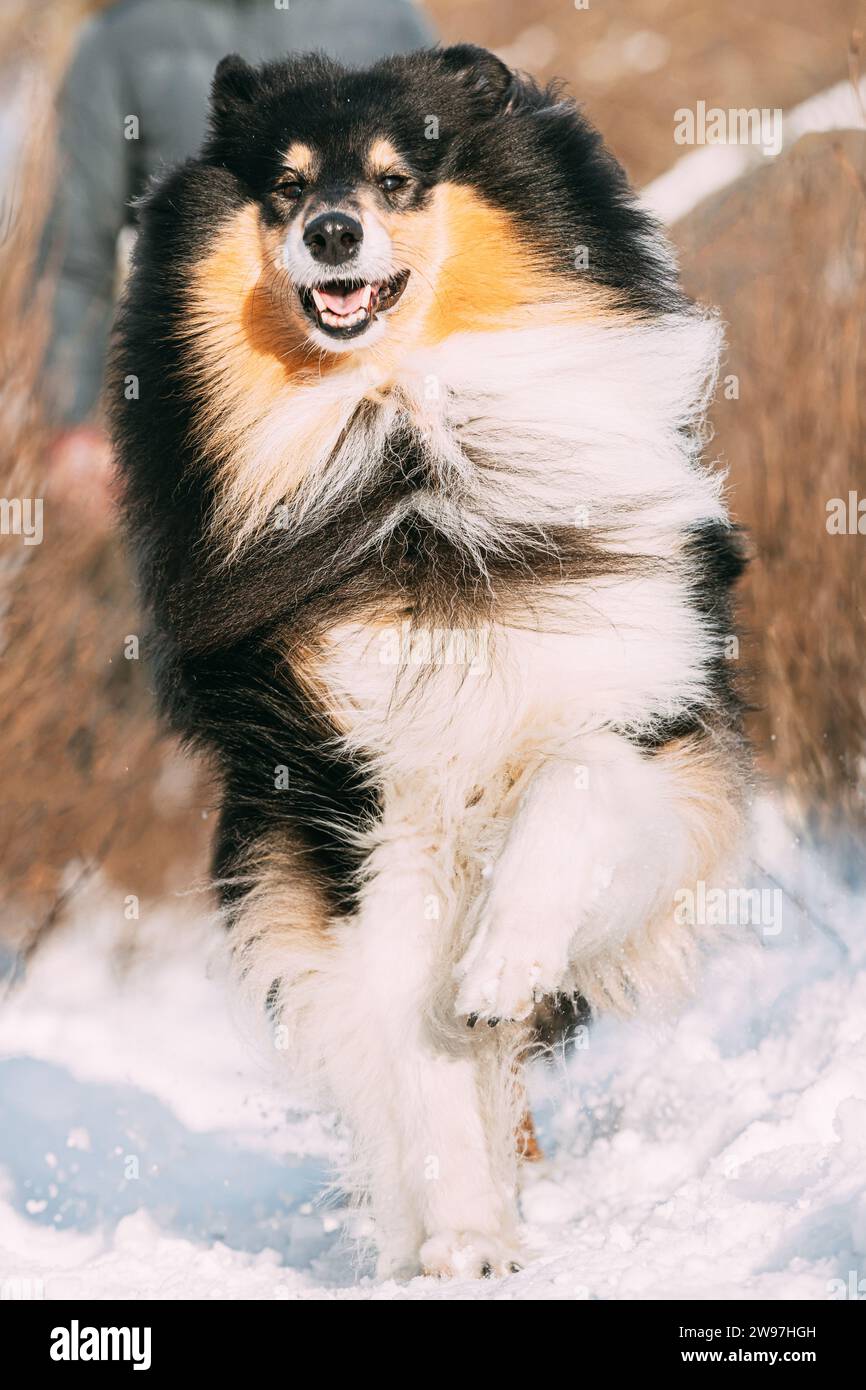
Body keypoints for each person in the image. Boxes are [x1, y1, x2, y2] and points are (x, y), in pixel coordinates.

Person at [42, 0, 436, 512]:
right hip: (206, 423)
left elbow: (435, 201)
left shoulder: (386, 20)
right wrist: (73, 423)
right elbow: (71, 257)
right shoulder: (120, 44)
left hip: (380, 420)